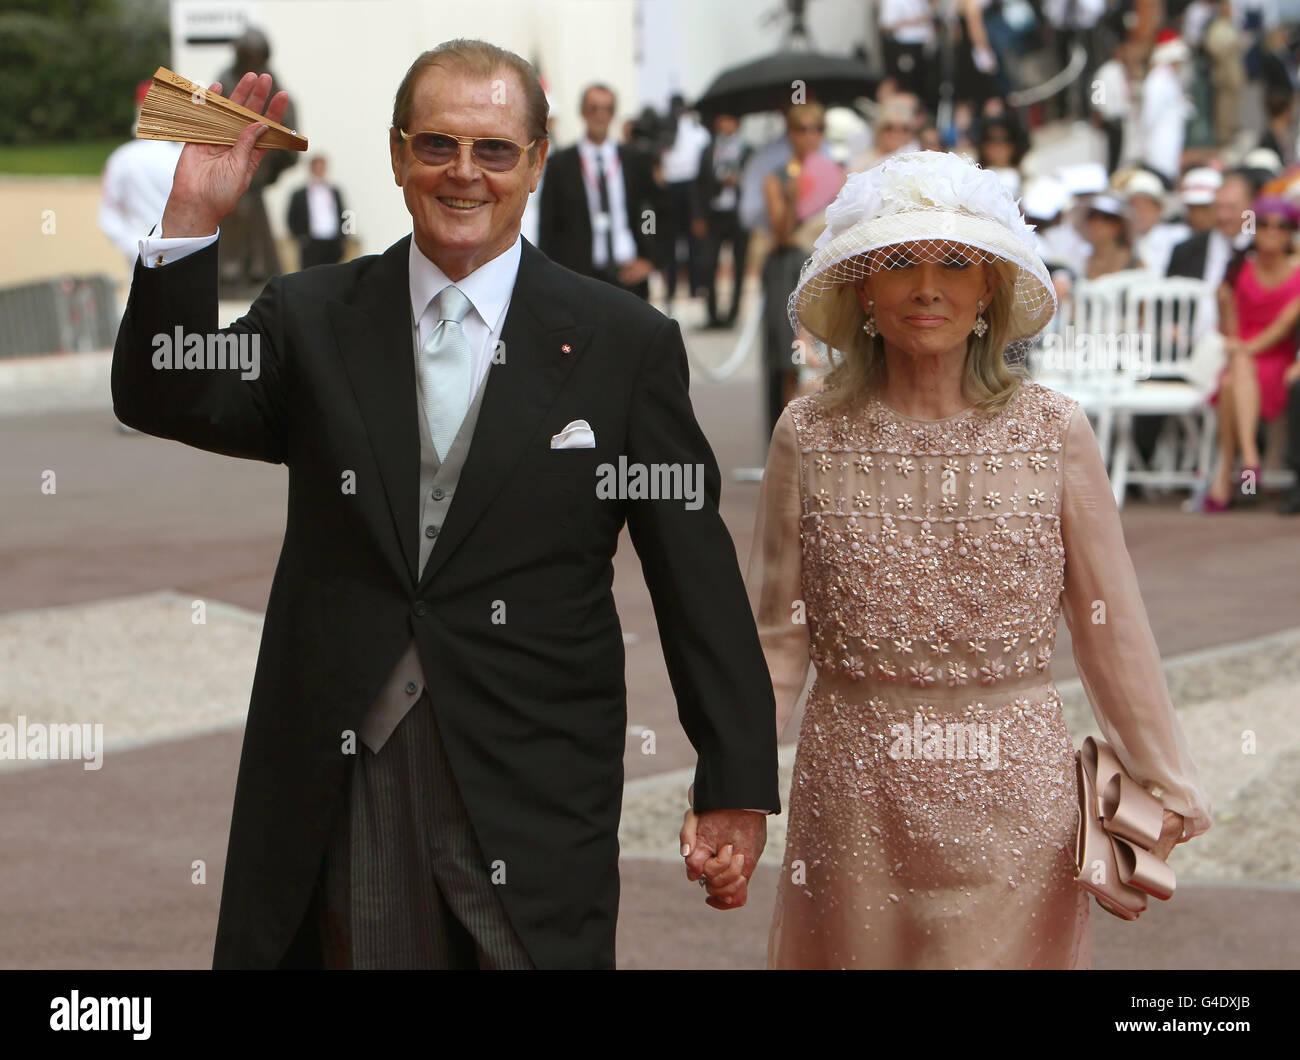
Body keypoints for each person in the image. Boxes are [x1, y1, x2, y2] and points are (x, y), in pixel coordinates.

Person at [112, 40, 780, 970]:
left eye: (495, 149)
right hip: (352, 773)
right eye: (437, 145)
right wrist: (191, 218)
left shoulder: (624, 345)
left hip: (535, 778)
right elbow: (161, 393)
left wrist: (734, 776)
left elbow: (694, 573)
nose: (463, 173)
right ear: (397, 155)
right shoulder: (310, 318)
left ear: (536, 162)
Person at [681, 150, 1211, 967]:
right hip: (853, 798)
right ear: (862, 287)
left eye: (956, 264)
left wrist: (1164, 780)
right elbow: (777, 639)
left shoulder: (1056, 430)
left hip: (1017, 802)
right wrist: (729, 793)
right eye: (900, 264)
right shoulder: (807, 434)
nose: (928, 287)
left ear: (989, 289)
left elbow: (1112, 627)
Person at [1203, 195, 1300, 511]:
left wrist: (1243, 349)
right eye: (1266, 224)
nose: (1273, 231)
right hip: (1240, 355)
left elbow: (1283, 328)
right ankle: (1250, 458)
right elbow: (1228, 326)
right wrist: (1225, 308)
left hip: (1274, 358)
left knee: (1233, 378)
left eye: (1281, 226)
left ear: (1290, 232)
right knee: (1234, 376)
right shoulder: (1238, 268)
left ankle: (1228, 469)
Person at [760, 103, 845, 439]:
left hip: (823, 267)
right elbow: (779, 234)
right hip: (788, 266)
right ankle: (787, 441)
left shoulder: (837, 174)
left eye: (816, 128)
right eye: (802, 128)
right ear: (790, 133)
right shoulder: (777, 178)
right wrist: (793, 199)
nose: (809, 136)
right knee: (787, 358)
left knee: (823, 356)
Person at [537, 83, 657, 299]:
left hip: (628, 272)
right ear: (582, 112)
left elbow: (651, 212)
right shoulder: (560, 165)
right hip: (579, 276)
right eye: (594, 108)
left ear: (614, 114)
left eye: (607, 109)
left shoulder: (635, 161)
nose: (600, 115)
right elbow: (549, 225)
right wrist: (550, 275)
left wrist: (649, 256)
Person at [214, 27, 298, 299]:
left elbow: (286, 115)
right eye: (247, 54)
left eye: (256, 55)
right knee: (240, 208)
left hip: (261, 159)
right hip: (233, 156)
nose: (252, 59)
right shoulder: (226, 80)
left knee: (250, 207)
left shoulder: (271, 81)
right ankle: (237, 267)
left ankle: (254, 268)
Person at [99, 80, 183, 270]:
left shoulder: (121, 159)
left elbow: (108, 216)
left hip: (138, 256)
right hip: (179, 256)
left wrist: (136, 247)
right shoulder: (182, 158)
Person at [691, 112, 751, 329]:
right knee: (708, 264)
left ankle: (733, 314)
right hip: (713, 215)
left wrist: (739, 180)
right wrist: (698, 216)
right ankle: (712, 314)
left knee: (739, 265)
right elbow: (698, 184)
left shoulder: (747, 149)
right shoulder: (708, 150)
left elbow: (756, 182)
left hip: (739, 215)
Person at [1139, 30, 1194, 186]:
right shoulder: (1157, 79)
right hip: (1159, 142)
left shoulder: (1169, 77)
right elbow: (1149, 115)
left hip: (1170, 139)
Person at [287, 154, 347, 268]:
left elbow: (344, 214)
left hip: (332, 243)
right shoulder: (299, 194)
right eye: (317, 167)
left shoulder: (335, 192)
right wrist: (301, 238)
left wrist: (344, 237)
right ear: (311, 169)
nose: (320, 171)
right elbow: (291, 218)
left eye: (322, 167)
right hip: (311, 244)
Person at [1083, 193, 1141, 279]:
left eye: (1106, 218)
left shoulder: (1135, 263)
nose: (1096, 223)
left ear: (1120, 225)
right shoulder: (1080, 260)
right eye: (1092, 215)